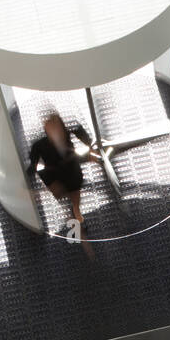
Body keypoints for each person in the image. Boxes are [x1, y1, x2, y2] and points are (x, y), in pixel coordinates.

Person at [29, 110, 100, 259]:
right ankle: (74, 229)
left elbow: (82, 133)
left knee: (75, 201)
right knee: (66, 204)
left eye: (57, 126)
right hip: (57, 176)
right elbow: (33, 165)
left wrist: (91, 149)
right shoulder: (40, 144)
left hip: (71, 172)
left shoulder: (67, 133)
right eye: (50, 127)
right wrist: (33, 186)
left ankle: (76, 219)